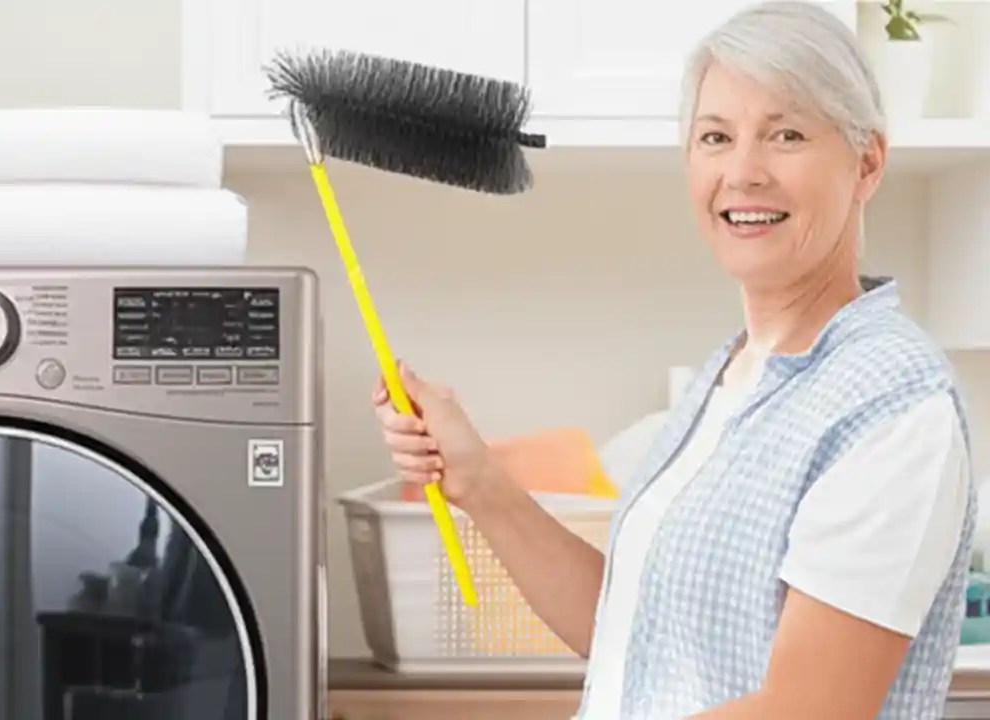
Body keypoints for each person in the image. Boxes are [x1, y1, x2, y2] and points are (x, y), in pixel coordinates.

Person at [371, 2, 976, 718]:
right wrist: (478, 481)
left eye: (786, 134)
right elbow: (633, 636)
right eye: (716, 137)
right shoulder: (729, 373)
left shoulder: (889, 404)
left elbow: (805, 709)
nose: (743, 172)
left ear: (867, 162)